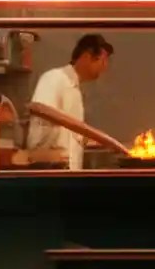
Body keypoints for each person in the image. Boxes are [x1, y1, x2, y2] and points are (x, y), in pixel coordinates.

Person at [26, 34, 113, 169]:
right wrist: (87, 131)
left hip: (69, 172)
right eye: (102, 61)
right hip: (49, 169)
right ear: (86, 56)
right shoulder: (54, 78)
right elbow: (39, 109)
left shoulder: (76, 90)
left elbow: (69, 134)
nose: (105, 67)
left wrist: (92, 140)